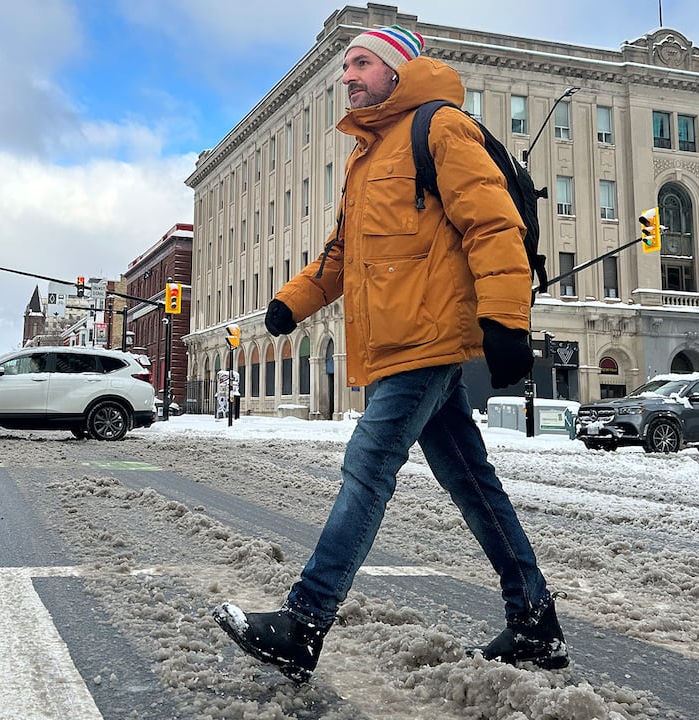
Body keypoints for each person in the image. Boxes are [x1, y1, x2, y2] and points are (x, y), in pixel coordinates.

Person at [212, 24, 567, 683]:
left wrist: (505, 320)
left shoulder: (441, 128)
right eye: (345, 67)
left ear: (398, 69)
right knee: (472, 482)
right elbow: (344, 255)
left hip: (428, 338)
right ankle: (534, 623)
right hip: (393, 343)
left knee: (368, 464)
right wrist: (292, 302)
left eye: (361, 63)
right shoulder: (366, 155)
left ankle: (304, 622)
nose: (347, 76)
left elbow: (492, 223)